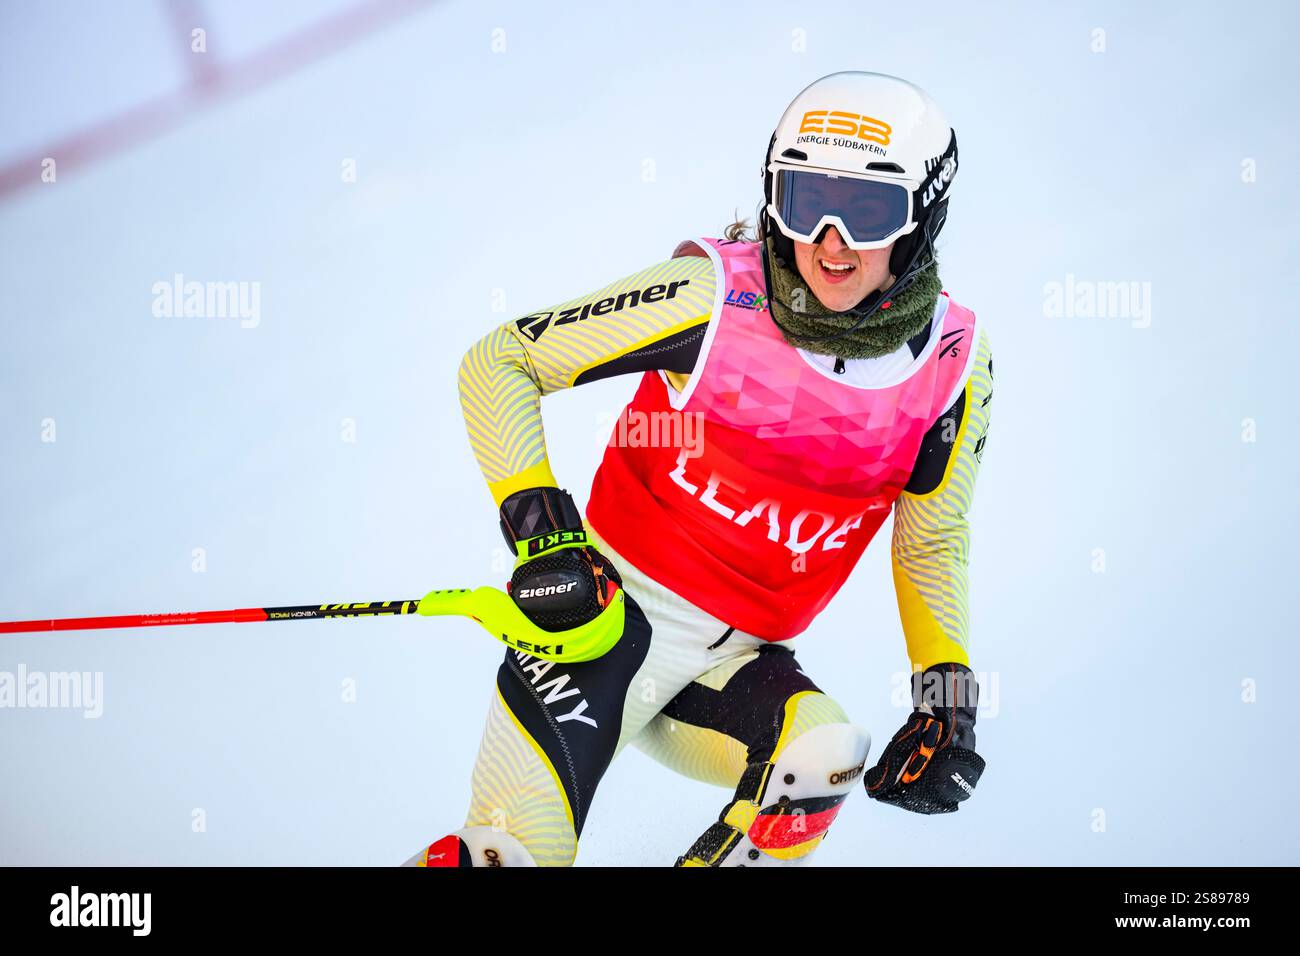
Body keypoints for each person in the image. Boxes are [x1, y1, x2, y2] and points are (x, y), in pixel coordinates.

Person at [407, 71, 992, 867]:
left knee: (822, 757)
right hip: (598, 630)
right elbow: (500, 363)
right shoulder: (714, 300)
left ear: (924, 215)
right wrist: (545, 540)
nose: (829, 238)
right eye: (802, 198)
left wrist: (945, 700)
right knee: (507, 853)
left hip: (734, 666)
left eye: (867, 210)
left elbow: (931, 539)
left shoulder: (953, 365)